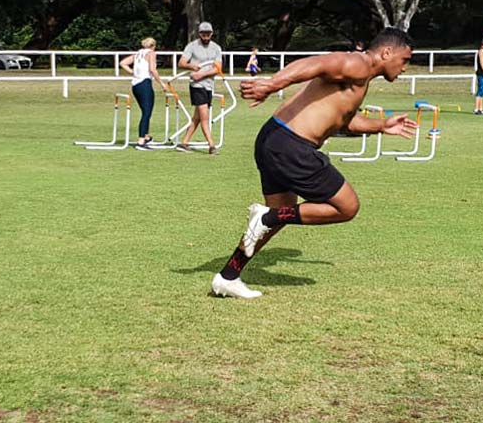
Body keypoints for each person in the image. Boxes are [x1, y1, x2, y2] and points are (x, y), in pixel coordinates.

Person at [210, 27, 418, 298]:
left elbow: (342, 122)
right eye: (404, 60)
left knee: (281, 214)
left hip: (274, 139)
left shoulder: (359, 78)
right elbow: (315, 63)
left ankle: (229, 276)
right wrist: (273, 85)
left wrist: (381, 126)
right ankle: (266, 216)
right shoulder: (358, 63)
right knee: (347, 207)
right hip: (291, 146)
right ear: (387, 52)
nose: (404, 69)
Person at [177, 22, 223, 154]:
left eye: (208, 34)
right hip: (196, 86)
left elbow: (218, 68)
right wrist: (192, 67)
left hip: (209, 85)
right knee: (204, 117)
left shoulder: (216, 48)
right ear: (199, 34)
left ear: (212, 34)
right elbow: (181, 62)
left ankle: (184, 143)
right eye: (203, 34)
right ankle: (212, 146)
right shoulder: (192, 46)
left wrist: (202, 74)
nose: (206, 36)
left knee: (197, 117)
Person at [119, 37, 165, 149]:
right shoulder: (151, 53)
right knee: (147, 113)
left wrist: (133, 72)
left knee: (145, 111)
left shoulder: (138, 53)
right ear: (153, 46)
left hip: (136, 85)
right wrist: (162, 83)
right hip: (145, 84)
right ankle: (141, 141)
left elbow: (123, 63)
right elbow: (153, 70)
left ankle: (146, 136)